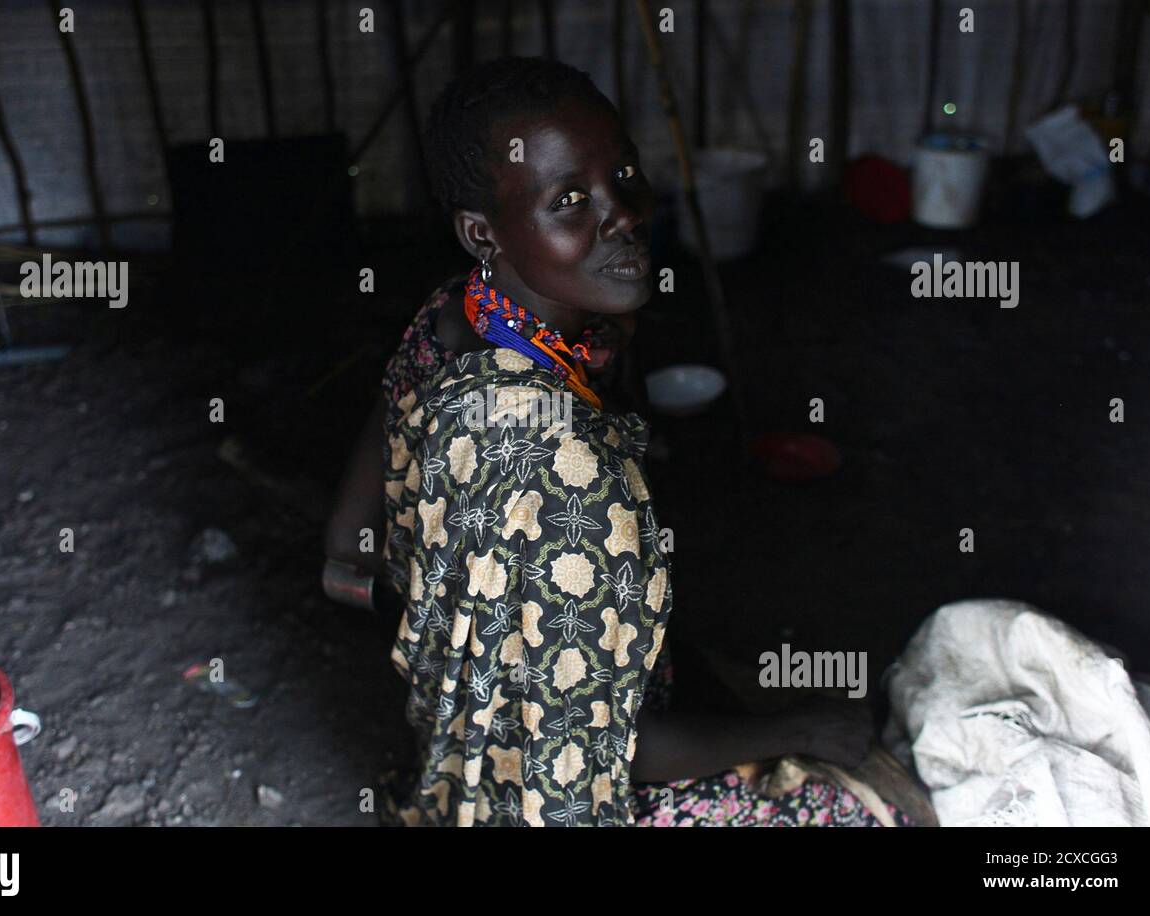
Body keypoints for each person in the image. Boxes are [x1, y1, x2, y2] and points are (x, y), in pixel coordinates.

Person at [330, 56, 910, 826]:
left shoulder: (452, 317)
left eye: (624, 177)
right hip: (549, 798)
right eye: (569, 200)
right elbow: (599, 752)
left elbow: (346, 547)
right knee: (862, 810)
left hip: (460, 751)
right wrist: (795, 730)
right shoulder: (567, 471)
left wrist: (471, 647)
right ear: (482, 233)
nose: (625, 214)